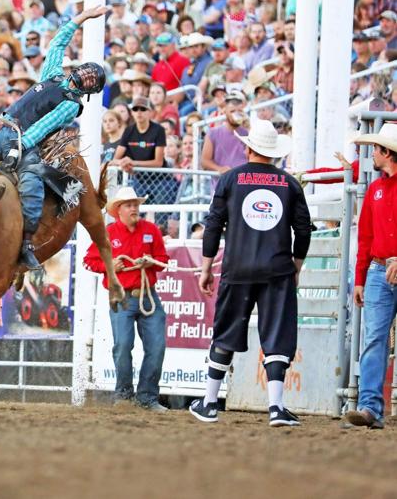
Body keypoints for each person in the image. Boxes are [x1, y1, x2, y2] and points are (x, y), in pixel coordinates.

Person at [0, 5, 109, 270]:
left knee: (31, 187)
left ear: (90, 90)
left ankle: (27, 243)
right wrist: (82, 17)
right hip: (2, 127)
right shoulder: (53, 74)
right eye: (87, 72)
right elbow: (57, 44)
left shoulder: (71, 104)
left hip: (26, 144)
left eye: (91, 80)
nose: (86, 77)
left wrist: (19, 147)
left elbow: (43, 127)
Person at [189, 119, 312, 427]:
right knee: (277, 334)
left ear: (248, 149)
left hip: (238, 267)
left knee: (226, 331)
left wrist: (206, 268)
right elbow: (303, 230)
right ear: (274, 152)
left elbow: (213, 226)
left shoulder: (230, 179)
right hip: (277, 269)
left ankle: (209, 402)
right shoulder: (289, 184)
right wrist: (296, 267)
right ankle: (276, 407)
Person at [83, 187, 169, 412]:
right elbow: (88, 261)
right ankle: (124, 395)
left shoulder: (151, 230)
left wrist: (151, 261)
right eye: (129, 205)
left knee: (157, 346)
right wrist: (109, 266)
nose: (134, 209)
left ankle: (146, 397)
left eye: (135, 205)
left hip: (148, 296)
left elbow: (163, 258)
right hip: (122, 296)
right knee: (122, 345)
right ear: (118, 210)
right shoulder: (108, 233)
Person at [345, 124, 397, 429]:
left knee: (375, 338)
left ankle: (370, 408)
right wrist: (360, 278)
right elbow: (365, 237)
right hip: (378, 270)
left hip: (379, 269)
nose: (372, 154)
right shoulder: (375, 189)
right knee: (374, 337)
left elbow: (365, 238)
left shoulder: (377, 189)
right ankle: (369, 407)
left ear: (387, 152)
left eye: (376, 149)